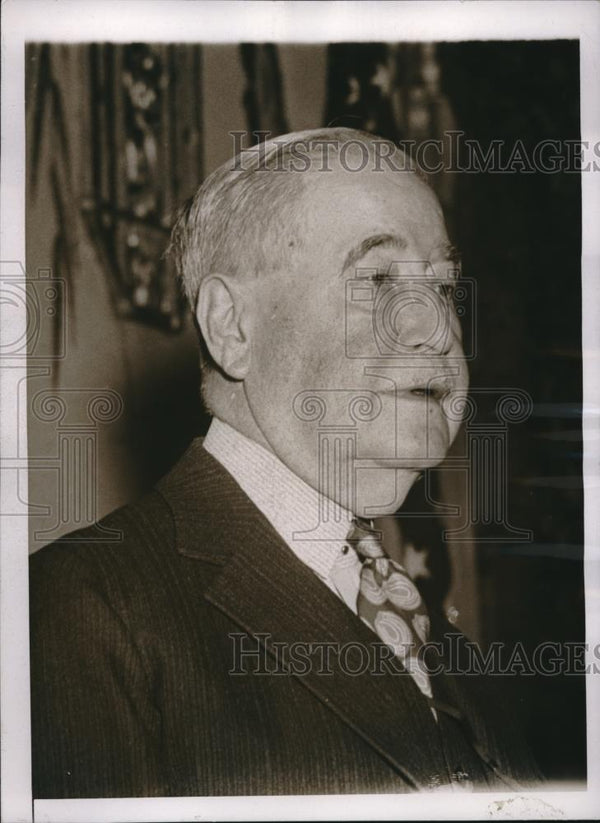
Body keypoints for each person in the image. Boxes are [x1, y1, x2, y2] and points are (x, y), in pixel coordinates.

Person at [30, 128, 541, 797]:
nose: (437, 327)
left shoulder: (441, 641)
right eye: (378, 278)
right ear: (232, 327)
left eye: (444, 286)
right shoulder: (79, 610)